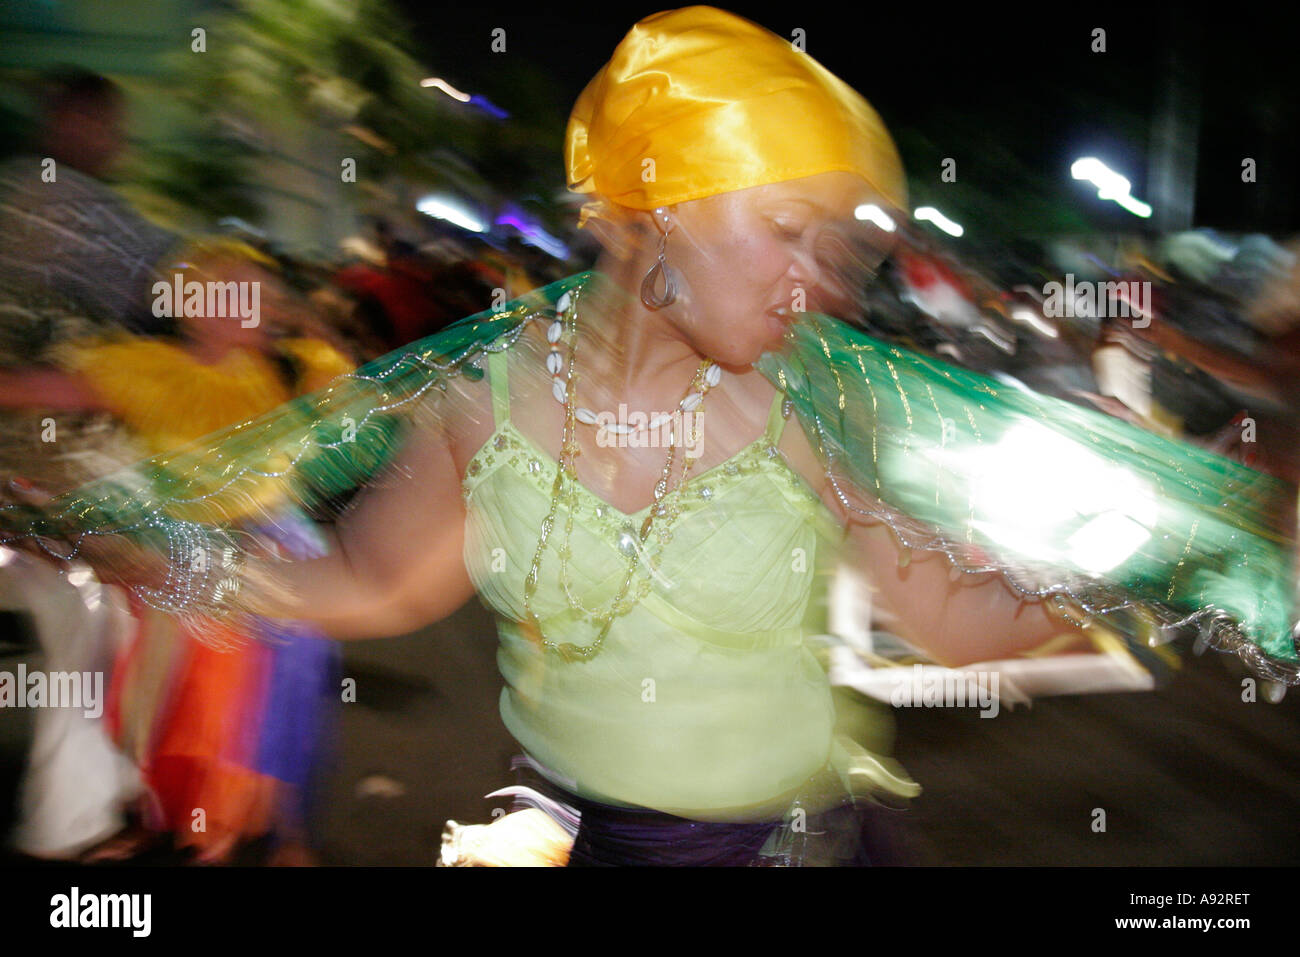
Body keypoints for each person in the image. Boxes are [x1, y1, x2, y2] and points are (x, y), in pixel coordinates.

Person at [4, 7, 1294, 865]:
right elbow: (379, 585)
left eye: (838, 250)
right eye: (790, 232)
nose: (822, 284)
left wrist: (1137, 566)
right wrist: (177, 558)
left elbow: (951, 622)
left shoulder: (811, 400)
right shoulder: (486, 399)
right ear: (648, 214)